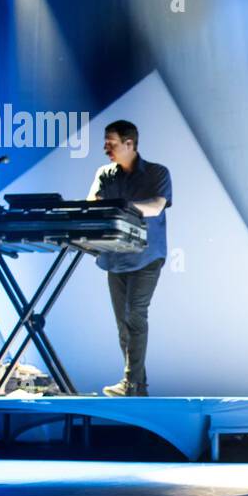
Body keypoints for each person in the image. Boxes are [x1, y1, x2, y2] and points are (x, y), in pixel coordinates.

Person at [87, 119, 173, 397]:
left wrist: (120, 207)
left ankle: (130, 384)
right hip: (115, 258)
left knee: (135, 316)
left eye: (110, 143)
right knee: (123, 325)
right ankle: (137, 387)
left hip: (146, 258)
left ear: (129, 144)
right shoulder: (105, 174)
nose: (105, 148)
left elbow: (156, 206)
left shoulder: (157, 173)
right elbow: (92, 205)